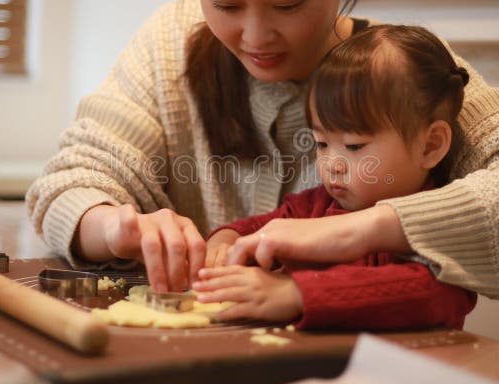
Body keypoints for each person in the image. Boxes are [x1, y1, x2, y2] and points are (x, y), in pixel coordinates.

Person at [26, 0, 499, 301]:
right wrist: (113, 226)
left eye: (288, 5)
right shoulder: (168, 43)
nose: (255, 36)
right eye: (224, 4)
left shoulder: (401, 72)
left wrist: (355, 229)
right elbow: (70, 179)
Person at [193, 24, 477, 328]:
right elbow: (264, 227)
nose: (332, 164)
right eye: (322, 144)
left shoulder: (442, 227)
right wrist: (227, 240)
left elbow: (431, 294)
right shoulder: (314, 206)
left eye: (354, 146)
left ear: (430, 145)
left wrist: (295, 294)